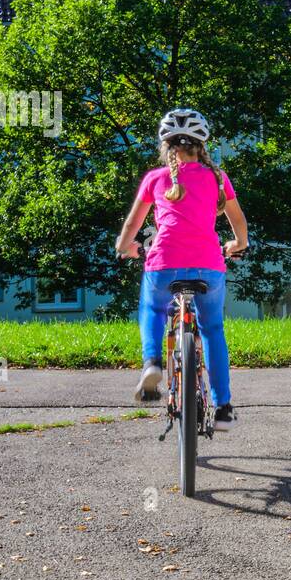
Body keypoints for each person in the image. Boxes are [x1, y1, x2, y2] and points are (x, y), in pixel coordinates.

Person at [114, 108, 247, 426]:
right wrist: (237, 245)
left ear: (167, 146)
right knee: (213, 329)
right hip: (208, 267)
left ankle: (152, 363)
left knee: (153, 307)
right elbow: (238, 223)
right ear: (202, 146)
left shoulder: (155, 179)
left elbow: (133, 223)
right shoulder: (217, 178)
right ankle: (224, 408)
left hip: (164, 265)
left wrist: (125, 247)